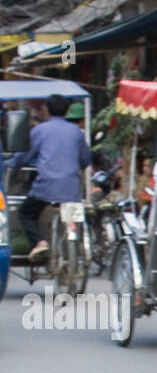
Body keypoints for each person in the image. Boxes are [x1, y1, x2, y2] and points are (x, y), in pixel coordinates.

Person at [5, 93, 91, 258]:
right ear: (67, 111)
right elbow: (85, 159)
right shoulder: (77, 132)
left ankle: (40, 242)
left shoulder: (40, 130)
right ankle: (77, 244)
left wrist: (11, 163)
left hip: (46, 187)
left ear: (46, 110)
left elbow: (23, 157)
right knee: (72, 218)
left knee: (25, 213)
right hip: (72, 189)